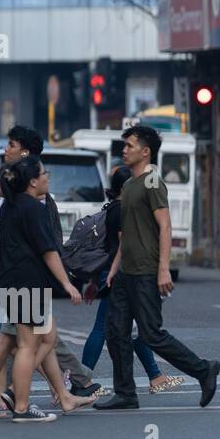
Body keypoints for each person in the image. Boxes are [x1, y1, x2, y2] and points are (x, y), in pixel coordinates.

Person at [96, 126, 220, 410]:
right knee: (115, 332)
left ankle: (204, 370)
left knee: (152, 334)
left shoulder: (153, 183)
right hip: (126, 271)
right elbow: (126, 232)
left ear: (145, 151)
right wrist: (115, 267)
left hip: (146, 271)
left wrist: (164, 269)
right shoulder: (129, 185)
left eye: (129, 145)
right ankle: (126, 393)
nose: (124, 150)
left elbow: (165, 226)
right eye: (124, 146)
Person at [0, 156, 96, 422]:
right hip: (28, 283)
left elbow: (2, 250)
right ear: (32, 181)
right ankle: (22, 406)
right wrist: (66, 283)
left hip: (11, 282)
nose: (47, 177)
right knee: (29, 344)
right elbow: (48, 251)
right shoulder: (33, 208)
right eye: (44, 173)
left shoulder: (8, 207)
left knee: (19, 338)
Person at [80, 166, 183, 393]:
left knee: (135, 329)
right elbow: (123, 246)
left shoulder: (114, 209)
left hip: (117, 274)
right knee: (104, 329)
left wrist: (97, 280)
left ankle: (155, 376)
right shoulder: (121, 211)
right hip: (122, 274)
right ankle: (81, 380)